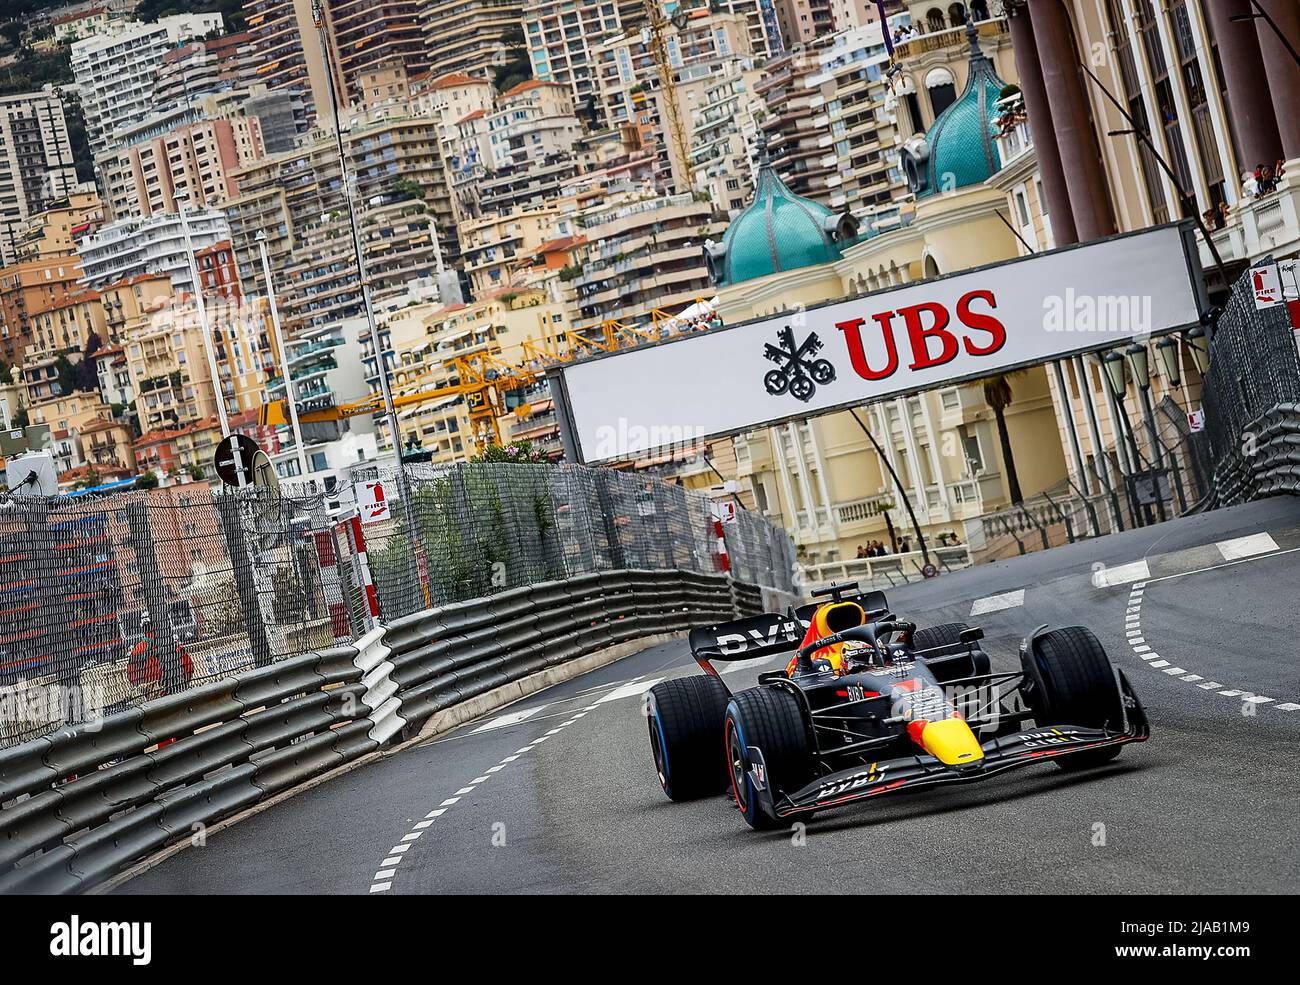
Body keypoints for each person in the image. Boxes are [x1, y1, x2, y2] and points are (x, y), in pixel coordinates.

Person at [127, 615, 194, 699]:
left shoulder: (138, 649)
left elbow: (131, 675)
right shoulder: (172, 643)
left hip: (154, 696)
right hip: (178, 689)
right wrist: (184, 681)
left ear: (143, 628)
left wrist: (145, 687)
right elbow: (189, 666)